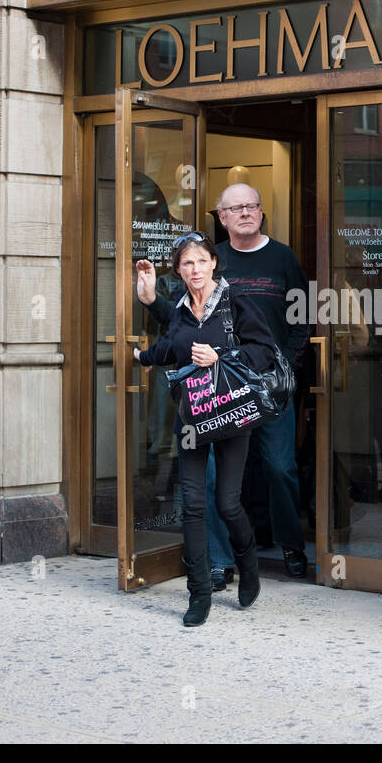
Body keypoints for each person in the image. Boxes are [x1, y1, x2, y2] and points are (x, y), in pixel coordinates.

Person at [137, 184, 311, 580]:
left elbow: (302, 317)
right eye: (236, 208)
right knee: (213, 474)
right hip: (215, 390)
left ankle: (291, 545)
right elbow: (182, 317)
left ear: (262, 212)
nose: (246, 213)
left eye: (252, 206)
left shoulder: (282, 257)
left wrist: (288, 365)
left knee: (280, 467)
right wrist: (150, 301)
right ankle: (219, 559)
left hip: (266, 384)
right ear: (222, 216)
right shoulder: (206, 259)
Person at [134, 232, 277, 626]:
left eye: (200, 261)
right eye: (186, 264)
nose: (195, 270)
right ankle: (199, 594)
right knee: (193, 505)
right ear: (178, 271)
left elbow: (265, 351)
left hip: (230, 413)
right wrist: (142, 352)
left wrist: (222, 355)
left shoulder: (236, 303)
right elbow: (172, 344)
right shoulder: (179, 308)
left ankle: (248, 568)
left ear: (214, 262)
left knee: (228, 503)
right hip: (192, 417)